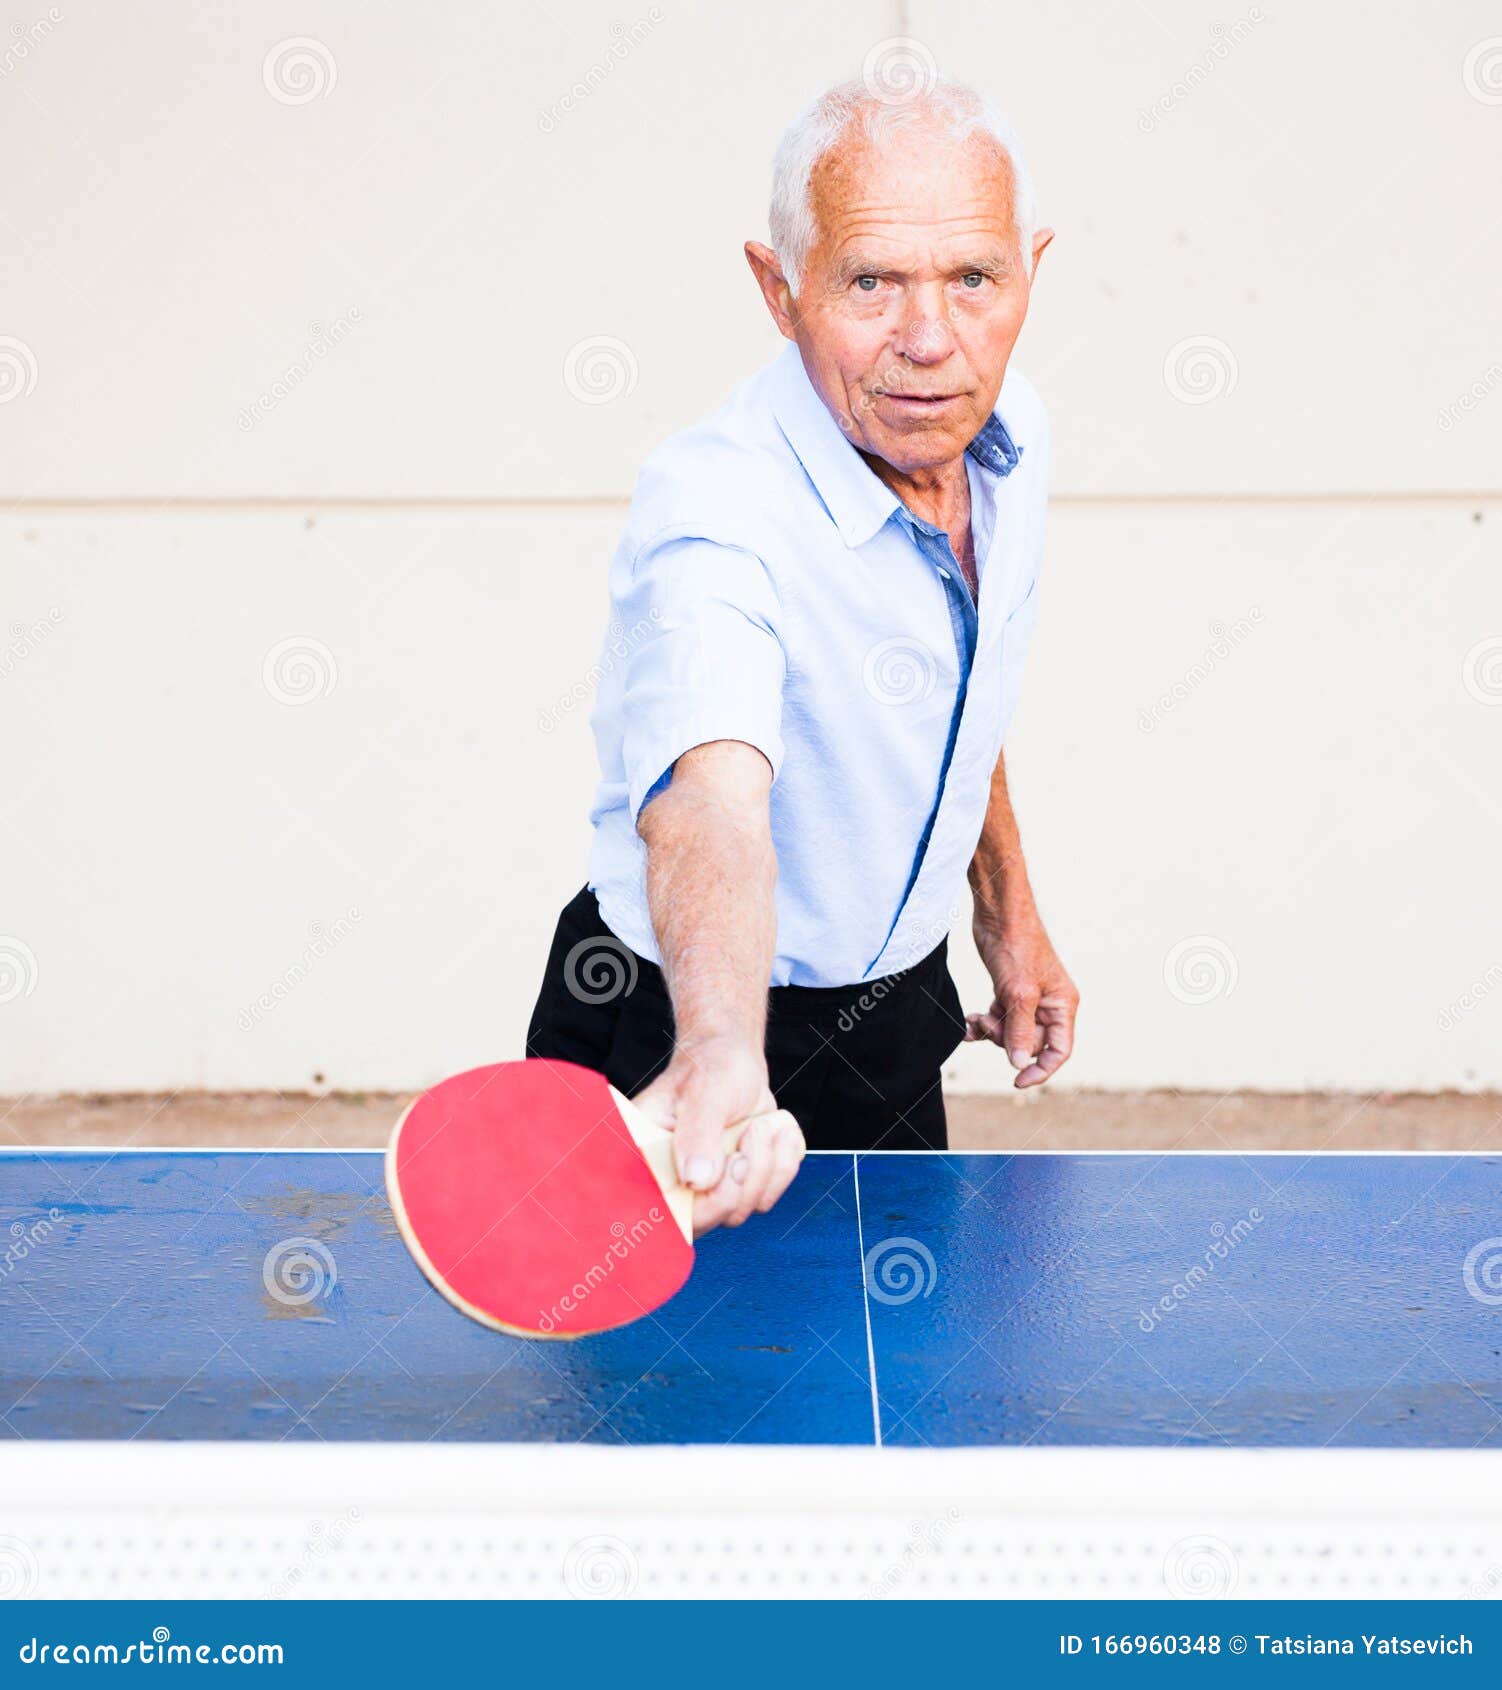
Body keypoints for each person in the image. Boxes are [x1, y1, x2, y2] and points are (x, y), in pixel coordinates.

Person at [528, 74, 1078, 1233]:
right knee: (644, 1404)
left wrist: (1005, 912)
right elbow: (706, 799)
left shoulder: (1006, 441)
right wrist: (717, 1046)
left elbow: (954, 690)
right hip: (674, 1018)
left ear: (1028, 268)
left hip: (891, 1011)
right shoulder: (715, 512)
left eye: (972, 279)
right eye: (870, 281)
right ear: (778, 289)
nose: (928, 340)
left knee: (897, 1385)